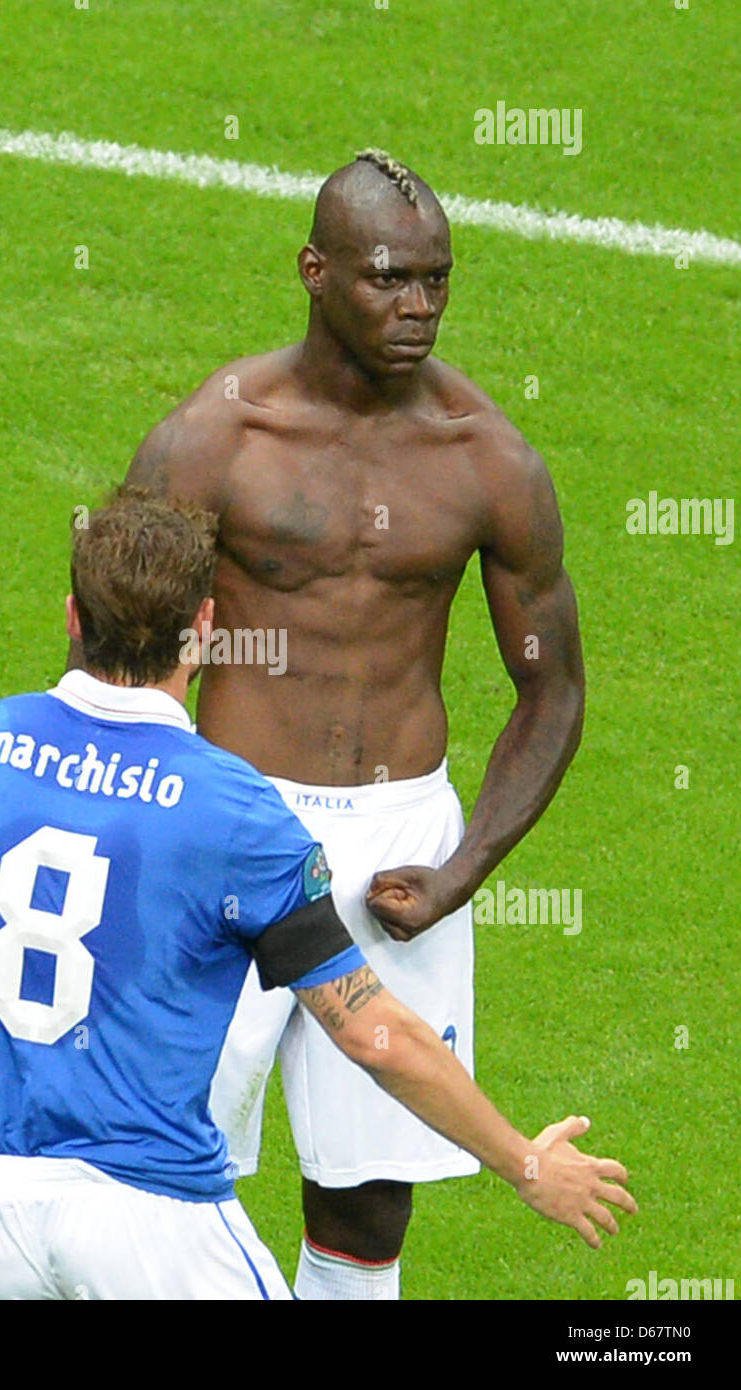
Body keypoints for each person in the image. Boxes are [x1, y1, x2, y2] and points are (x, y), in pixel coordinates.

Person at [0, 494, 630, 1300]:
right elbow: (372, 1031)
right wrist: (524, 1164)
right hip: (151, 1220)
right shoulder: (236, 812)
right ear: (205, 631)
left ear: (73, 618)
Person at [117, 149, 589, 1300]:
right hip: (225, 824)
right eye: (387, 280)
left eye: (435, 281)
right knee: (175, 1164)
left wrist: (460, 867)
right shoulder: (216, 438)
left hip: (396, 839)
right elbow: (126, 654)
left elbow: (551, 689)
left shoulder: (486, 461)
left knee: (370, 1194)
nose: (416, 308)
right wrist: (156, 833)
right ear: (313, 271)